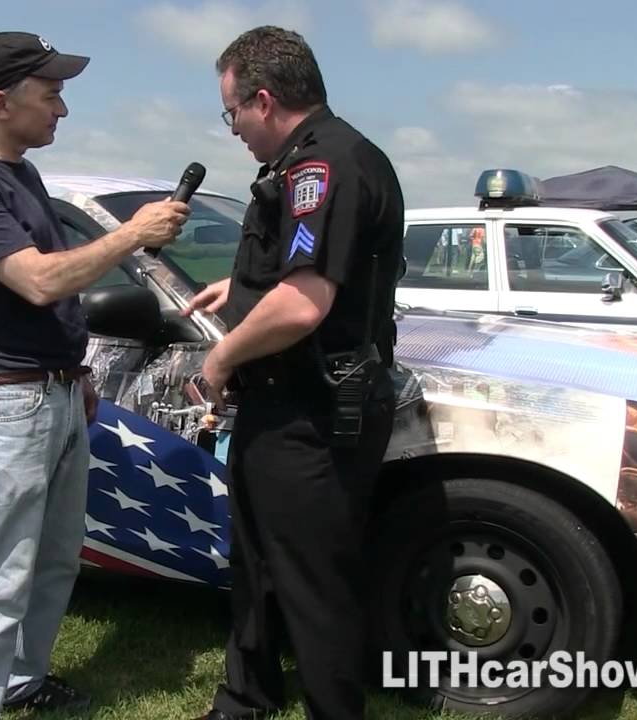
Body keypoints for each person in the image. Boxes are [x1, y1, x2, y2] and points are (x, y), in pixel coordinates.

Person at [0, 30, 190, 720]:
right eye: (52, 93)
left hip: (57, 392)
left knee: (52, 561)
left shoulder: (24, 175)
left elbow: (60, 290)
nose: (62, 109)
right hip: (10, 405)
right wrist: (131, 233)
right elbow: (39, 282)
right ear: (3, 101)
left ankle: (18, 681)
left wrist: (76, 371)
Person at [182, 25, 405, 720]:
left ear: (266, 100)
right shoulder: (307, 163)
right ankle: (244, 698)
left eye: (233, 113)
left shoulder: (325, 167)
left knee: (313, 588)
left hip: (313, 416)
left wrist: (217, 361)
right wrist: (240, 291)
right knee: (255, 565)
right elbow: (294, 274)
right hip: (281, 408)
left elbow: (306, 302)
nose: (235, 130)